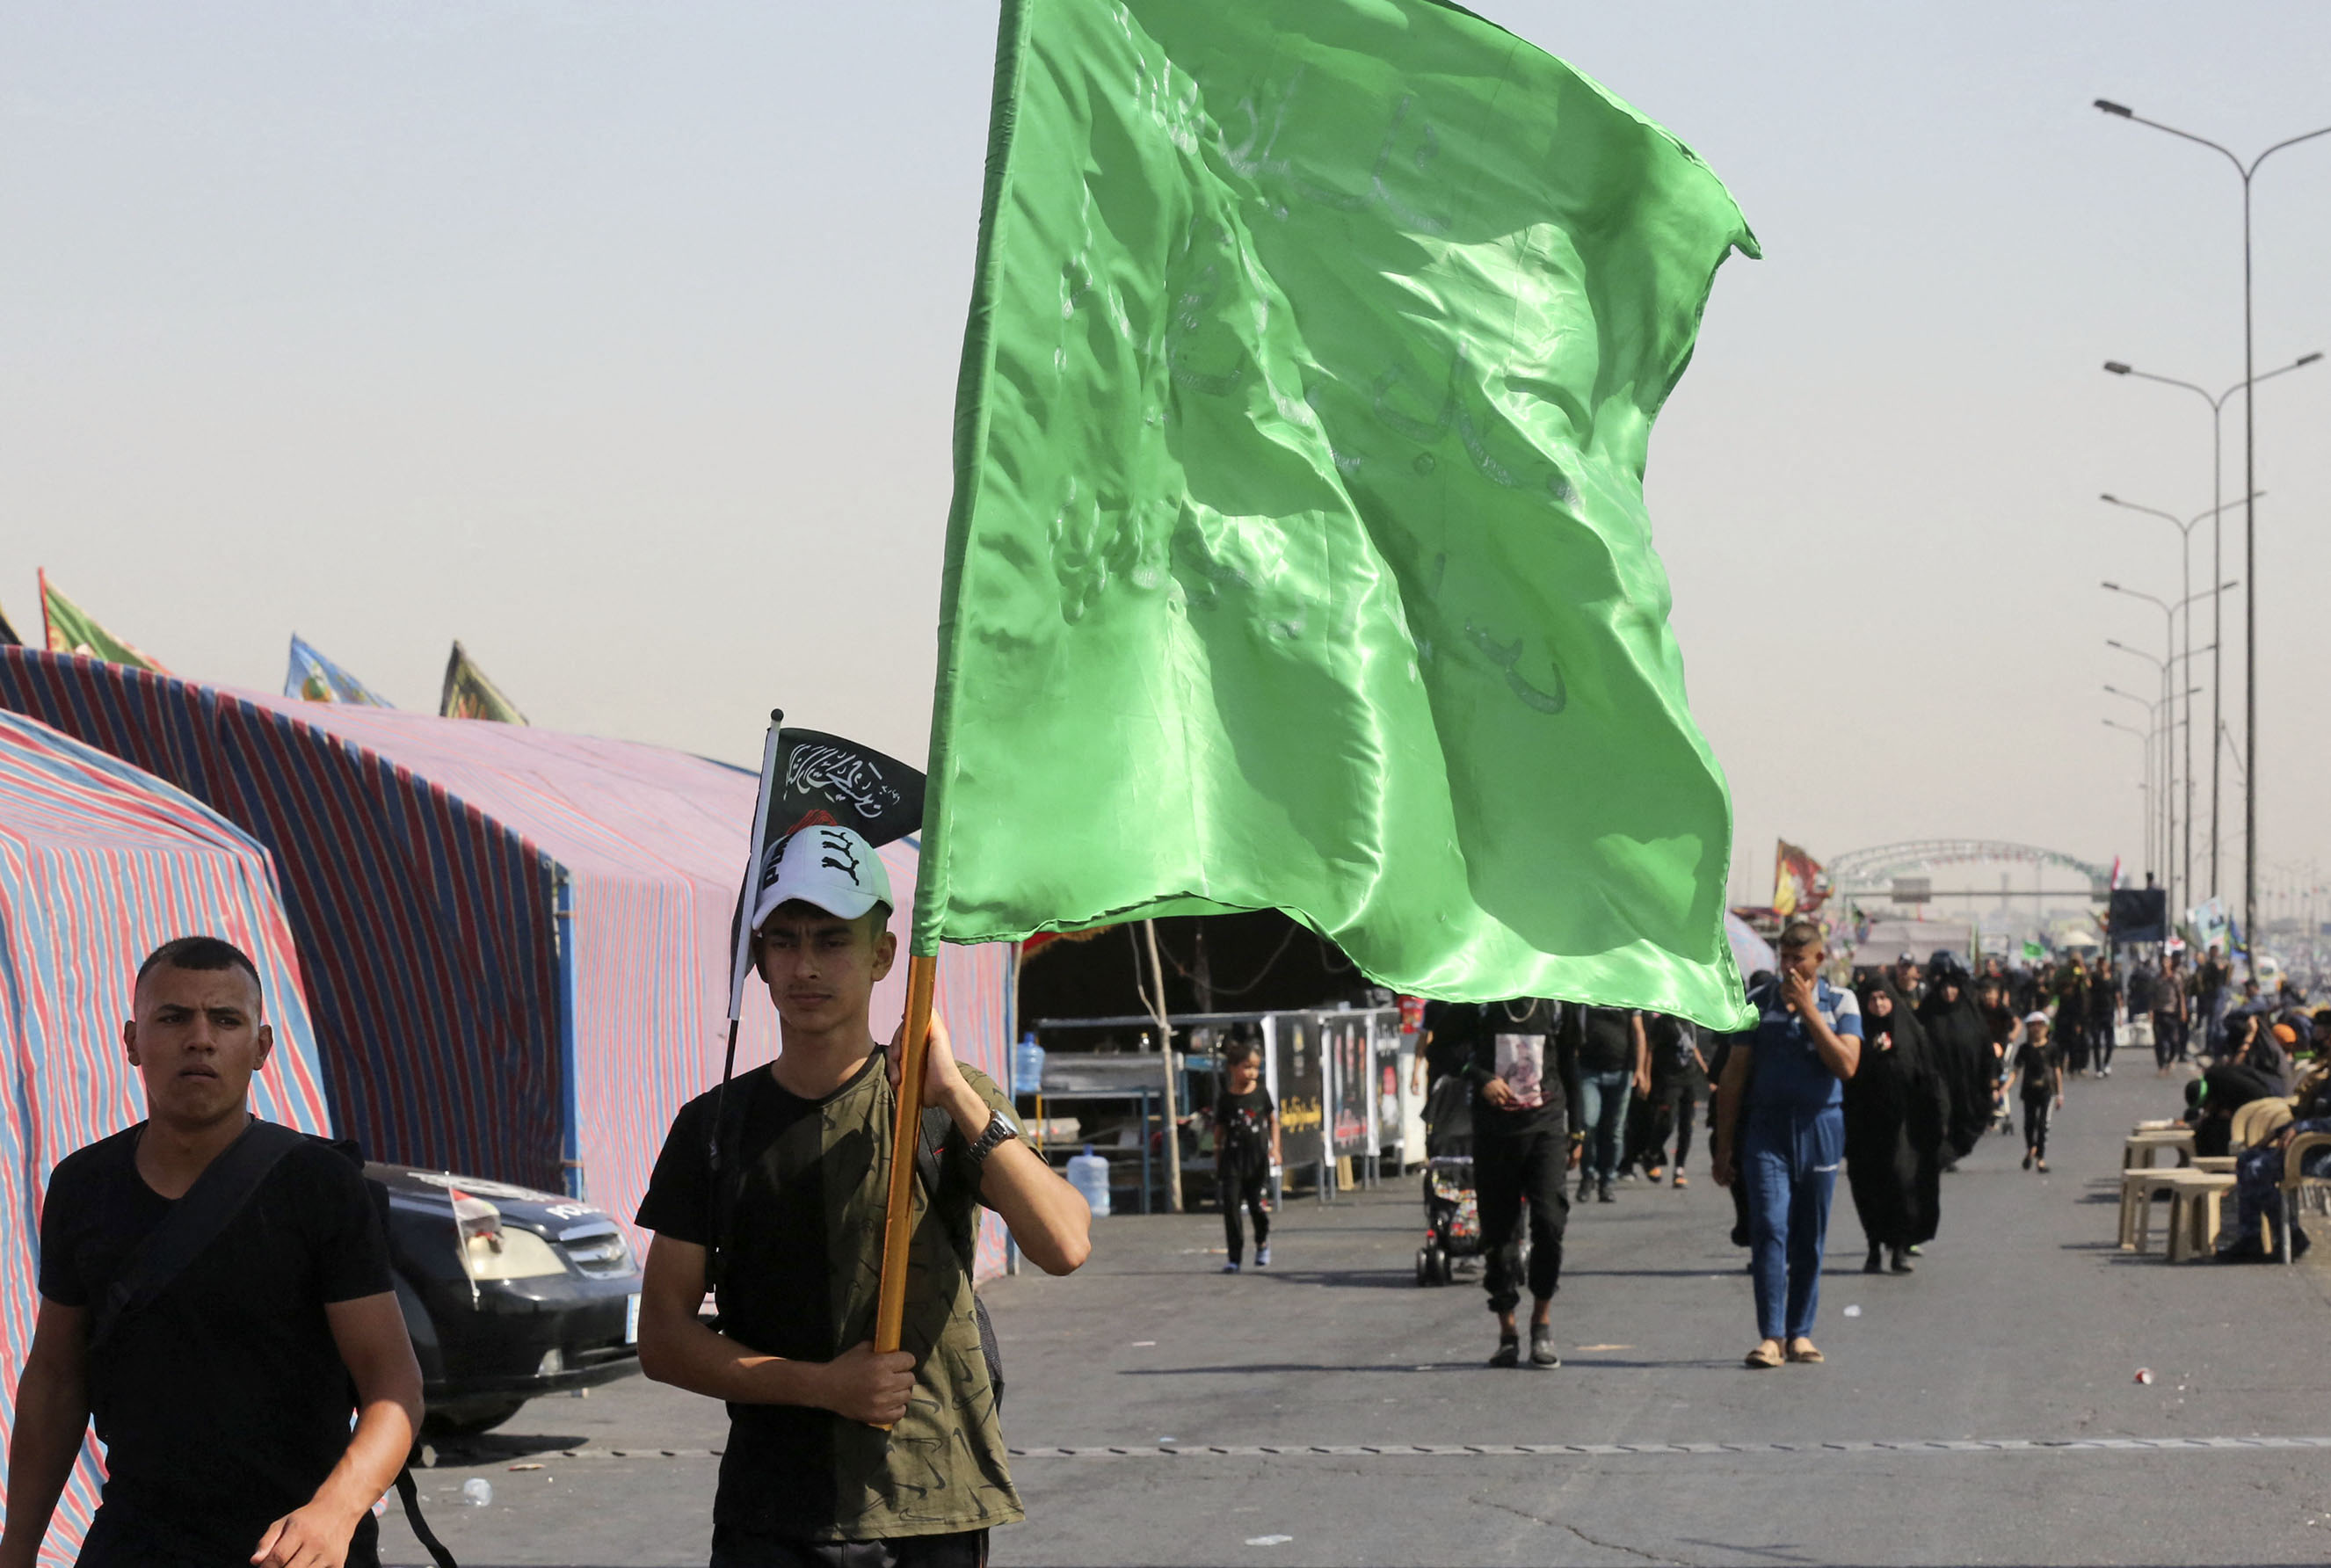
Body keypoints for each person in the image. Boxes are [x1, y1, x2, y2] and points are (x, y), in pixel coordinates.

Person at [635, 824, 1093, 1567]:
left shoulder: (941, 1100)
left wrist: (952, 1094)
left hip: (928, 1508)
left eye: (832, 939)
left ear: (884, 955)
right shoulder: (713, 1127)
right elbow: (663, 1338)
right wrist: (823, 1388)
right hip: (776, 1515)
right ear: (758, 956)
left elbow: (1065, 1243)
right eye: (782, 940)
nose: (805, 966)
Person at [0, 936, 423, 1568]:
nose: (200, 1039)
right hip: (136, 1541)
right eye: (172, 1018)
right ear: (132, 1041)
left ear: (261, 1048)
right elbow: (57, 1381)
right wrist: (17, 1550)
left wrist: (336, 1511)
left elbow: (394, 1384)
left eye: (226, 1020)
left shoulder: (319, 1185)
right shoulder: (83, 1185)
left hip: (290, 1547)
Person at [1714, 921, 1862, 1369]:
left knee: (1808, 1237)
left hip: (1820, 1129)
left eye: (1800, 958)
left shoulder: (1841, 1003)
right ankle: (1771, 1336)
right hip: (1767, 1132)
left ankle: (1801, 1333)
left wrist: (1810, 1013)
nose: (1791, 967)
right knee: (1770, 1229)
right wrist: (1723, 1148)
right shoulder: (1757, 1004)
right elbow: (1733, 1077)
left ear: (1820, 959)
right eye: (1785, 958)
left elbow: (1847, 1065)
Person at [1458, 997, 1575, 1368]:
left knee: (1550, 1221)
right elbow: (1443, 1050)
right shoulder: (1474, 996)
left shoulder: (1557, 998)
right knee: (1500, 1232)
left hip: (1546, 1128)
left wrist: (1581, 1131)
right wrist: (1481, 1079)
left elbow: (1571, 1060)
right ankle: (1507, 1331)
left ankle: (1542, 1322)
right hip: (1495, 1134)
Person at [1842, 977, 1947, 1274]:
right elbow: (1845, 1075)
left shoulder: (1909, 1032)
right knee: (1868, 1187)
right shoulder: (1853, 1033)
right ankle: (1874, 1247)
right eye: (1872, 999)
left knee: (1903, 1183)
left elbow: (1927, 1074)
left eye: (1883, 998)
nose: (1878, 1005)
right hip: (1864, 1126)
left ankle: (1899, 1248)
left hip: (1904, 1125)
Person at [1917, 955, 1993, 1168]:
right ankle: (1935, 1156)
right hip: (1937, 1080)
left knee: (1968, 1122)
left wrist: (1991, 1077)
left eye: (1953, 987)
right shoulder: (1927, 1012)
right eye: (1944, 987)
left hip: (1968, 1082)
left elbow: (1985, 1046)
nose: (1949, 992)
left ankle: (1947, 1154)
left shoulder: (1970, 1013)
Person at [1567, 1005, 1647, 1203]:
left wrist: (1640, 1070)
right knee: (1588, 1123)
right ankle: (1588, 1176)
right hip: (1588, 1071)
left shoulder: (1628, 994)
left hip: (1621, 1072)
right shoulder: (1587, 991)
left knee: (1615, 1131)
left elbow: (1639, 1033)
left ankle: (1607, 1181)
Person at [1214, 1039, 1280, 1274]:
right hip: (1232, 1158)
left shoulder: (1261, 1094)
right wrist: (1217, 1157)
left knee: (1256, 1206)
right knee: (1231, 1207)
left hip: (1257, 1159)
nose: (1252, 1072)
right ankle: (1234, 1258)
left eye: (1255, 1067)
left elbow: (1273, 1122)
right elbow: (1219, 1131)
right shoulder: (1225, 1098)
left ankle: (1262, 1241)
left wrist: (1275, 1148)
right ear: (1233, 1068)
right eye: (1247, 1066)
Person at [1640, 1013, 1709, 1188]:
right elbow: (1650, 1048)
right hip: (1669, 1080)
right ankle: (1651, 1153)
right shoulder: (1664, 1022)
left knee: (1687, 1127)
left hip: (1689, 1079)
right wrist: (1646, 1076)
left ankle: (1679, 1170)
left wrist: (1707, 1073)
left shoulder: (1691, 1021)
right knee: (1667, 1123)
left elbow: (1694, 1048)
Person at [2009, 1011, 2065, 1172]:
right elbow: (2015, 1071)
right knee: (2028, 1124)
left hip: (2047, 1090)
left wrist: (2060, 1094)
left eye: (2040, 1026)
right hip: (2029, 1090)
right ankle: (2030, 1149)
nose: (2036, 1029)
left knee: (2043, 1125)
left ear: (2046, 1028)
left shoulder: (2052, 1047)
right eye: (2032, 1026)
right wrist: (2003, 1089)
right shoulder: (2024, 1049)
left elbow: (2057, 1071)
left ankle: (2040, 1158)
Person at [2156, 952, 2192, 1067]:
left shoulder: (2180, 973)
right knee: (2161, 1039)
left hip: (2176, 1010)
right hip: (2161, 1010)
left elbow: (2183, 992)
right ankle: (2163, 1060)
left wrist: (2184, 1010)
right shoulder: (2159, 976)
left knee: (2176, 1036)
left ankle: (2179, 1053)